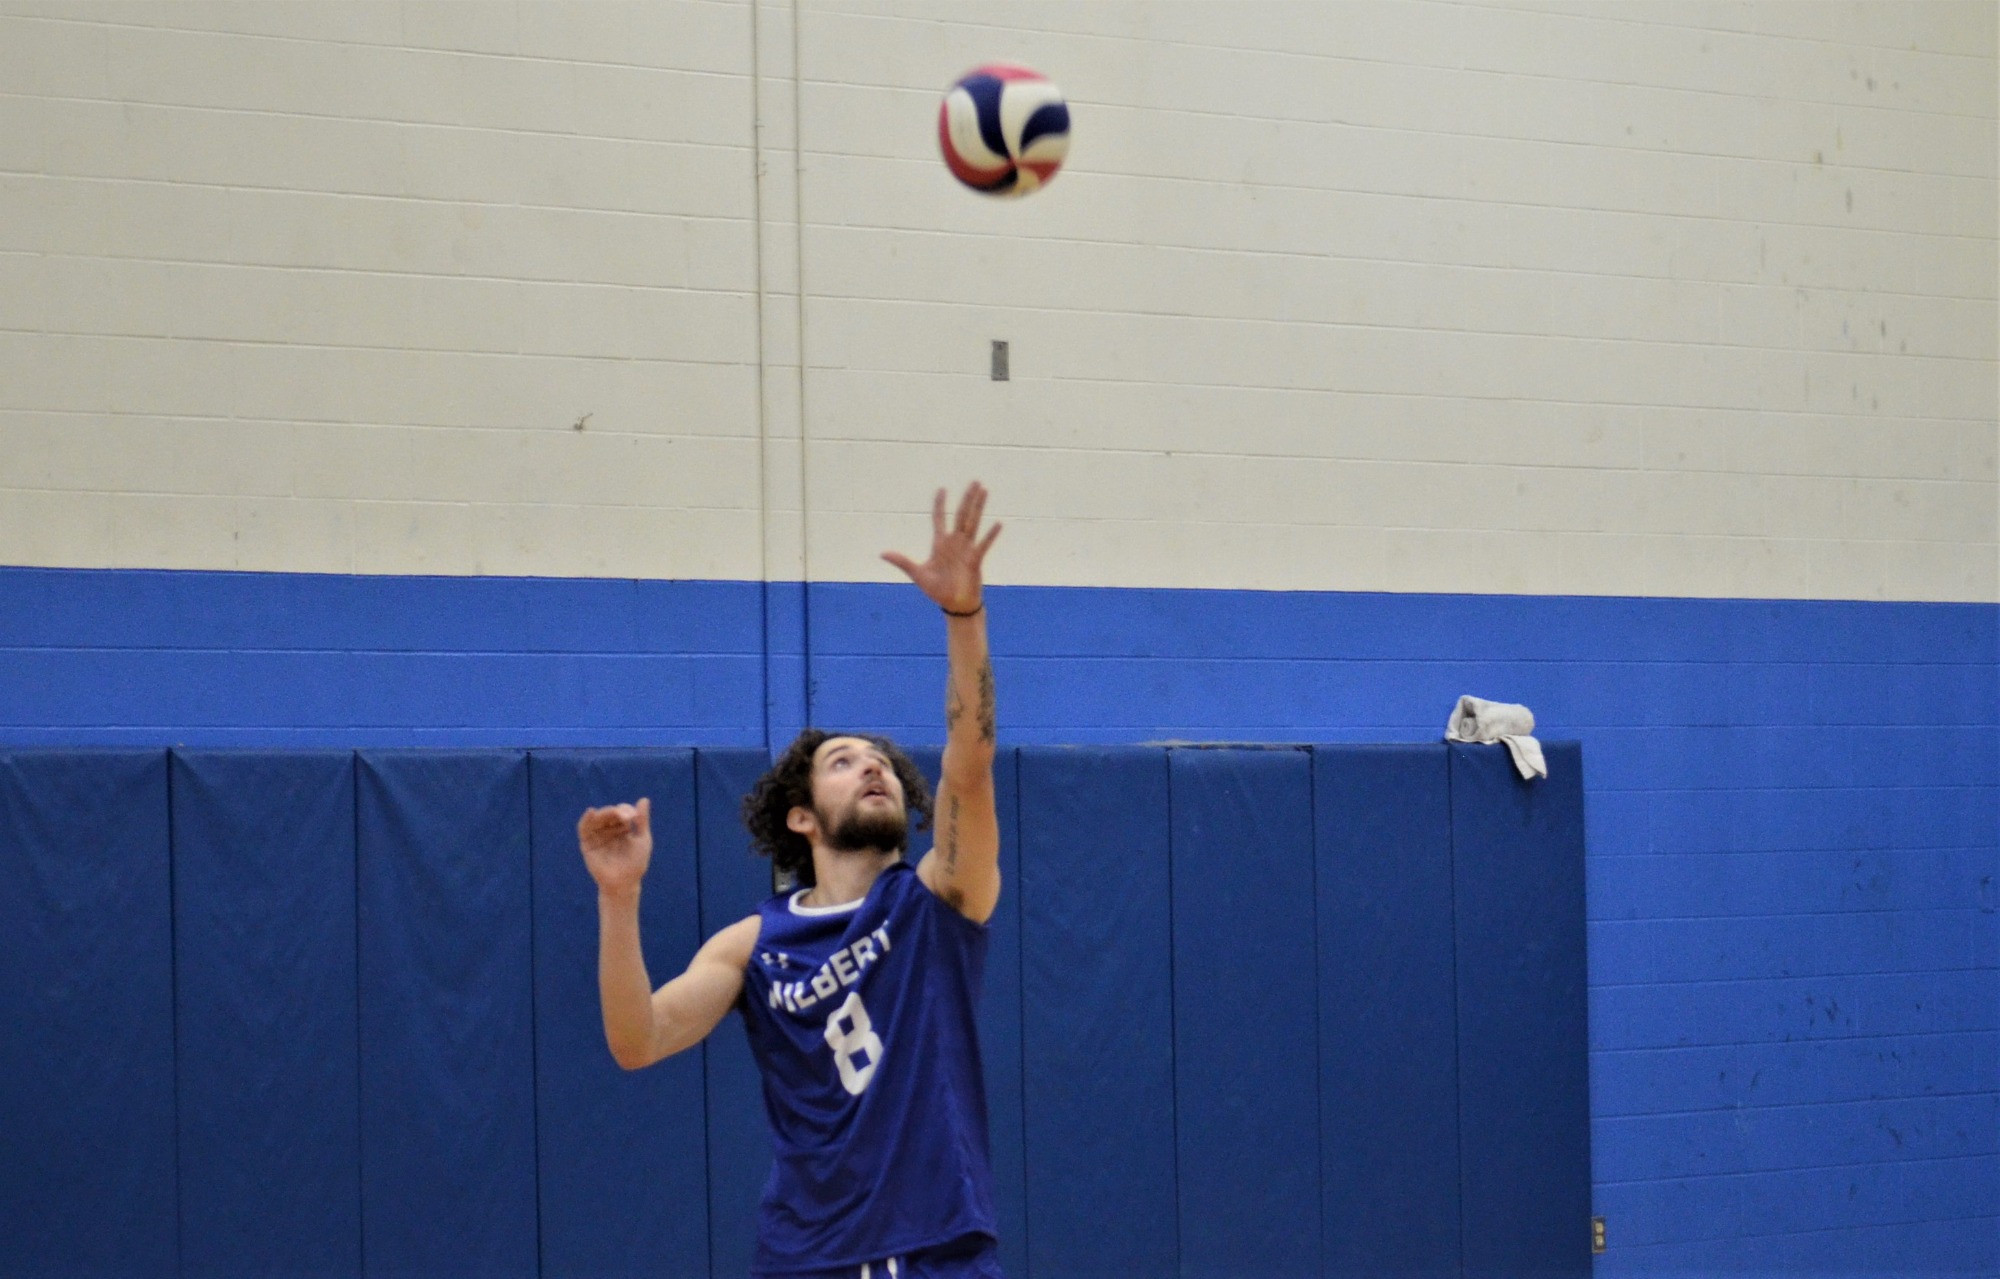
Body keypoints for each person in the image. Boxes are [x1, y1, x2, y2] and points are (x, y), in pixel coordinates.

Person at [577, 482, 1006, 1279]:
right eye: (842, 762)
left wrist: (963, 620)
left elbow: (971, 763)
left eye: (878, 757)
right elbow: (637, 1040)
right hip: (807, 1259)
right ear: (802, 817)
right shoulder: (753, 944)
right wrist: (619, 897)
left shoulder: (938, 899)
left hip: (934, 1247)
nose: (870, 763)